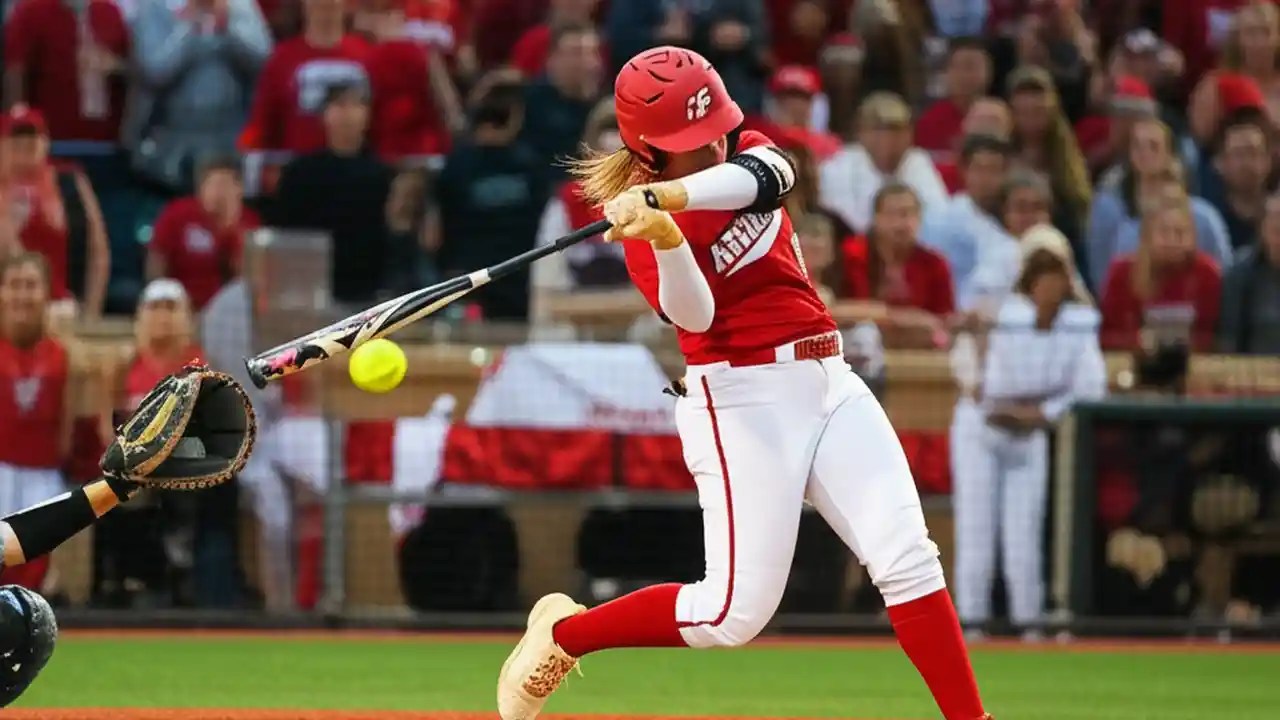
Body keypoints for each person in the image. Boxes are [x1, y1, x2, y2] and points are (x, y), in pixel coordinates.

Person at [496, 47, 993, 720]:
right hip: (742, 402)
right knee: (730, 614)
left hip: (828, 379)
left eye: (713, 132)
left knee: (908, 558)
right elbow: (694, 315)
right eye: (688, 143)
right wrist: (666, 236)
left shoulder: (748, 153)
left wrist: (668, 195)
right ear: (649, 151)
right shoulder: (643, 233)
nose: (712, 146)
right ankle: (564, 635)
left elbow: (769, 174)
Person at [952, 224, 1105, 639]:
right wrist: (994, 396)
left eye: (1057, 271)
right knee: (977, 530)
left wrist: (1041, 411)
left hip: (1031, 431)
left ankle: (1030, 627)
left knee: (1024, 534)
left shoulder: (1078, 321)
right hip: (980, 428)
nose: (1050, 283)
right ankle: (971, 627)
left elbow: (1091, 386)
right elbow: (980, 379)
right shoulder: (1002, 312)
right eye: (1041, 272)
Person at [271, 82, 394, 307]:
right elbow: (286, 234)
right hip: (310, 292)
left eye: (356, 106)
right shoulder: (300, 173)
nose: (347, 114)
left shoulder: (382, 174)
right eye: (339, 105)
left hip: (367, 293)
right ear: (324, 115)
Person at [1085, 118, 1233, 289]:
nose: (1145, 153)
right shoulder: (1125, 229)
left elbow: (1225, 275)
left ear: (1170, 154)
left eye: (1153, 146)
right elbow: (1105, 279)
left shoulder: (1205, 218)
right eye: (1138, 146)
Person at [0, 253, 73, 593]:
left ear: (46, 294)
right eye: (15, 285)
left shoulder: (64, 355)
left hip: (44, 472)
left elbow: (70, 423)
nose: (22, 295)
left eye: (31, 286)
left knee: (31, 577)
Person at [833, 182, 956, 349]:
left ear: (920, 219)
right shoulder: (850, 254)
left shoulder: (935, 263)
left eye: (907, 214)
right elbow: (833, 309)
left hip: (919, 350)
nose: (900, 223)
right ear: (876, 218)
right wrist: (896, 317)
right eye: (891, 214)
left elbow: (943, 320)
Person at [1099, 192, 1224, 352]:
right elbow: (1106, 336)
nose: (1172, 240)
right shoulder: (1122, 273)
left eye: (1180, 233)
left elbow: (1214, 336)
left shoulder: (1207, 273)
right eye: (1164, 232)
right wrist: (1139, 342)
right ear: (1148, 235)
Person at [819, 92, 949, 234]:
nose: (887, 138)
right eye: (878, 129)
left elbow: (940, 217)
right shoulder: (838, 167)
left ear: (910, 134)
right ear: (861, 132)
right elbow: (842, 222)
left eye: (896, 130)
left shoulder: (918, 161)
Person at [147, 158, 260, 311]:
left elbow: (246, 278)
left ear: (239, 190)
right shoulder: (178, 214)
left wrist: (230, 227)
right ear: (201, 189)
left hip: (227, 308)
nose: (219, 192)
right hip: (181, 304)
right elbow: (157, 258)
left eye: (226, 185)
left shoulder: (248, 222)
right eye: (214, 184)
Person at [1219, 193, 1280, 354]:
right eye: (1277, 230)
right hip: (1255, 373)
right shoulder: (1240, 272)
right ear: (1263, 229)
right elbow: (1229, 340)